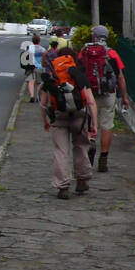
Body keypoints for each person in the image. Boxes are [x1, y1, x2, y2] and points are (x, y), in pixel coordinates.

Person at [40, 47, 96, 199]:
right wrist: (94, 125)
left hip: (59, 117)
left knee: (61, 151)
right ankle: (82, 181)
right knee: (81, 147)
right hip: (79, 116)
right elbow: (90, 101)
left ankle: (63, 186)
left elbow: (43, 103)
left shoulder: (52, 76)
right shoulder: (78, 74)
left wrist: (45, 120)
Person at [77, 25, 130, 173]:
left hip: (89, 94)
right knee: (107, 125)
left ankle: (91, 144)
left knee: (90, 123)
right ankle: (103, 160)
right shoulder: (111, 54)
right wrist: (124, 97)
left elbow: (78, 72)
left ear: (94, 36)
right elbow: (120, 77)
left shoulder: (84, 51)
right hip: (108, 94)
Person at [23, 33, 45, 103]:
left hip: (30, 67)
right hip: (39, 68)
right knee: (39, 83)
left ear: (32, 41)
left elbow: (25, 58)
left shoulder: (28, 48)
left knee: (31, 82)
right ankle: (39, 97)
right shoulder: (43, 49)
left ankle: (32, 96)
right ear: (39, 41)